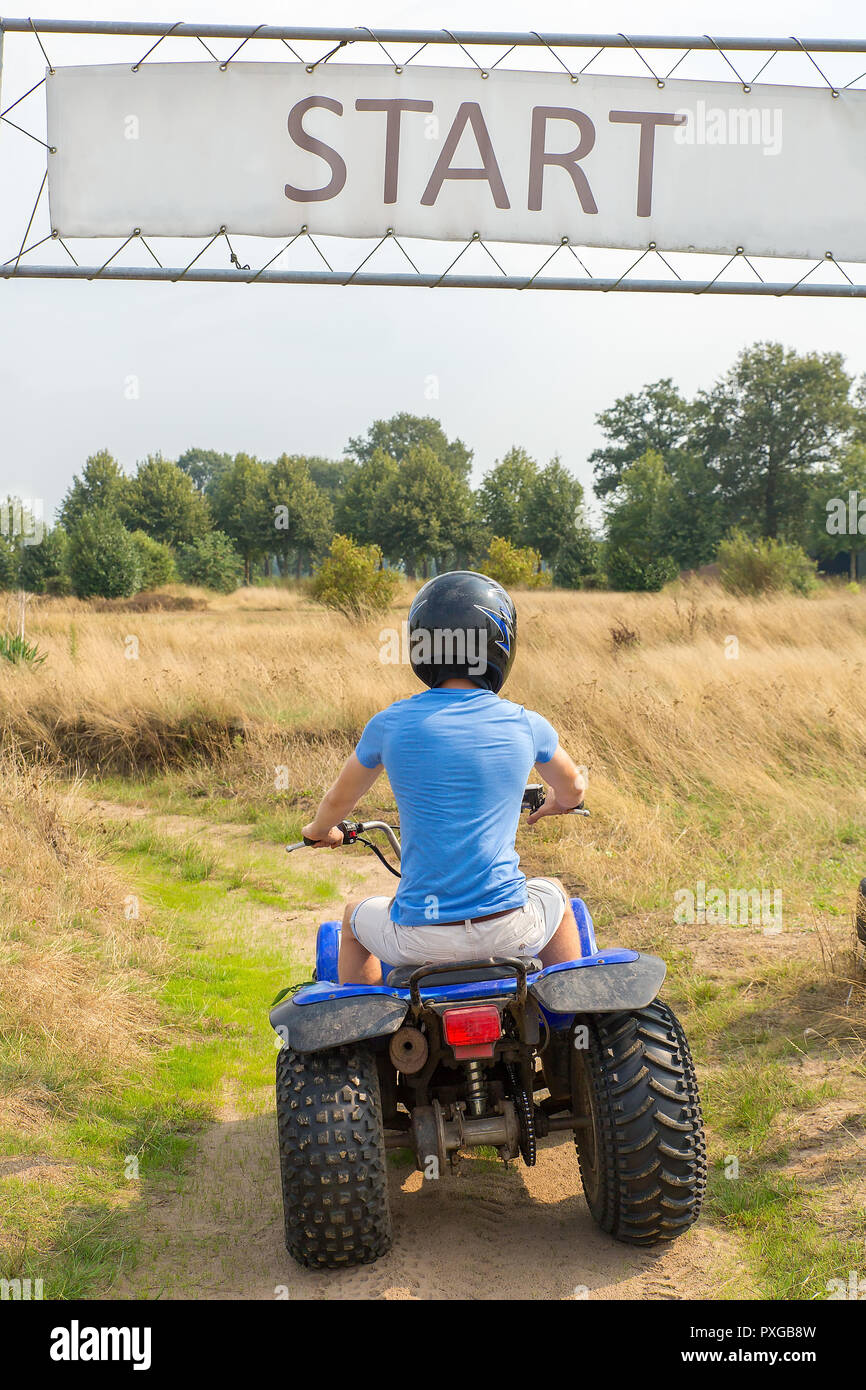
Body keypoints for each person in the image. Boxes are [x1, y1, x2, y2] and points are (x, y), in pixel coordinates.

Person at [301, 570, 587, 984]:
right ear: (501, 643)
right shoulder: (526, 723)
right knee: (556, 894)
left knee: (352, 918)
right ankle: (569, 1022)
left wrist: (318, 830)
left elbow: (337, 802)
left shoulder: (389, 724)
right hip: (508, 930)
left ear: (422, 645)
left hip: (419, 938)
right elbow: (574, 786)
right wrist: (561, 804)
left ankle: (363, 1032)